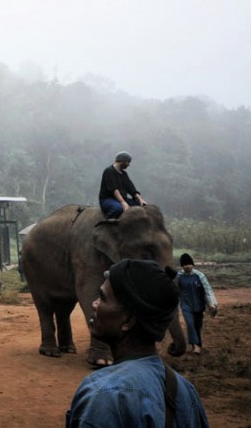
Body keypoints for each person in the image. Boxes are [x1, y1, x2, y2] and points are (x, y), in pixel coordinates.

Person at [66, 258, 210, 428]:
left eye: (103, 298)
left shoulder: (101, 393)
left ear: (128, 320)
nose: (94, 304)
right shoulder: (185, 390)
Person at [176, 253, 218, 354]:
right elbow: (175, 292)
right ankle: (195, 346)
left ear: (193, 264)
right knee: (190, 324)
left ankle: (198, 344)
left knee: (197, 326)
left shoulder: (199, 276)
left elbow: (207, 290)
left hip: (199, 305)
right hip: (186, 305)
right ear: (182, 266)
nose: (187, 266)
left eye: (189, 264)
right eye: (185, 264)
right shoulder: (179, 277)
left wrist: (211, 304)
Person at [98, 151, 148, 219]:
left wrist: (140, 199)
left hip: (123, 199)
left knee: (140, 206)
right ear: (122, 161)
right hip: (108, 199)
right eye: (128, 162)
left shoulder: (124, 174)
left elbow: (131, 189)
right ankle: (107, 225)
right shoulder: (109, 171)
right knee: (118, 209)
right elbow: (114, 190)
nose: (128, 165)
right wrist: (123, 202)